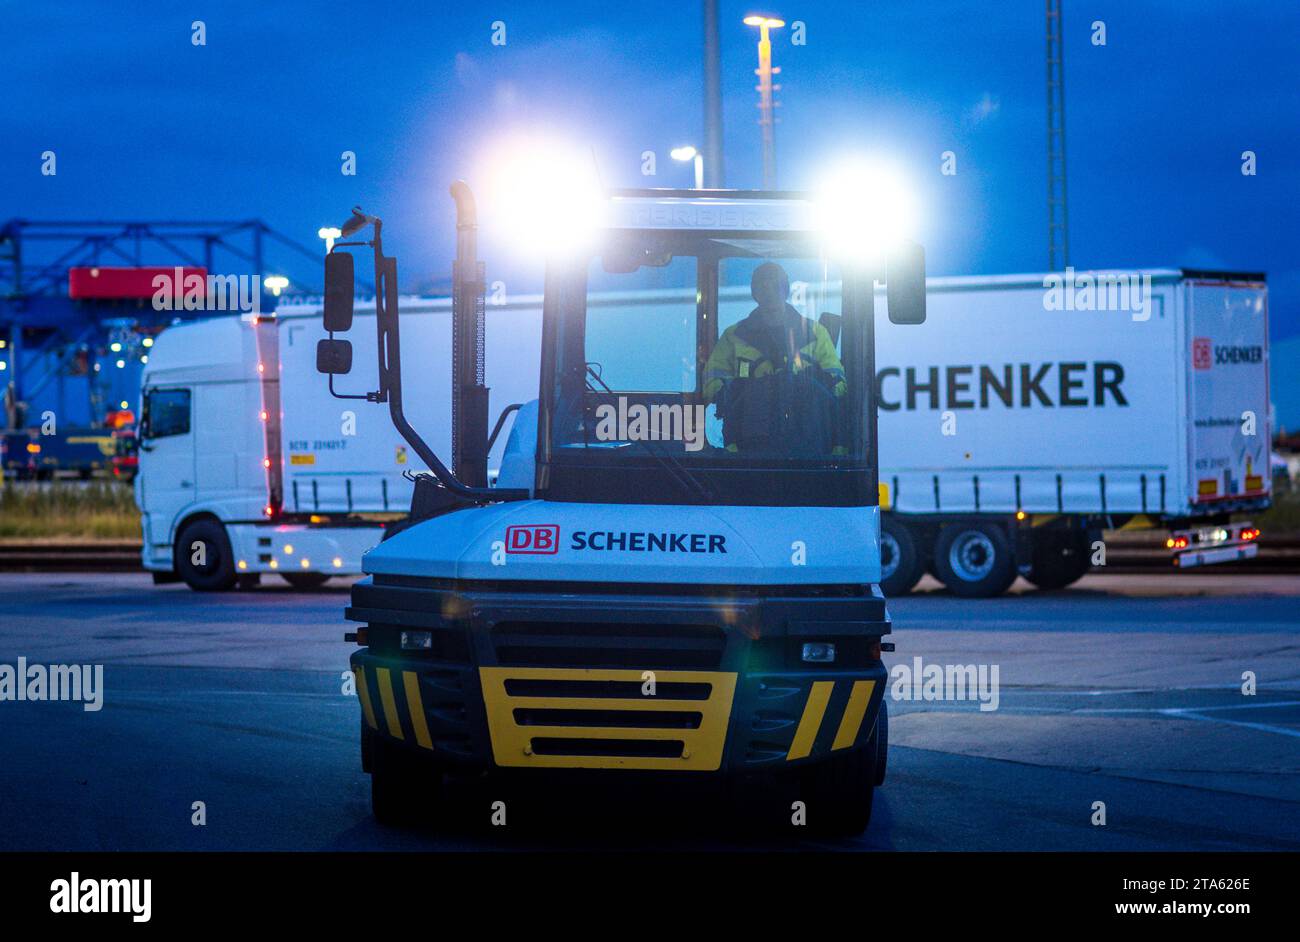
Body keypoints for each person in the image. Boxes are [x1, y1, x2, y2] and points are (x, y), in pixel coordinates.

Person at [703, 262, 847, 455]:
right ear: (755, 293)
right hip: (748, 441)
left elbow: (837, 382)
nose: (769, 292)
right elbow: (711, 383)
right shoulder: (734, 336)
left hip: (809, 441)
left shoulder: (815, 333)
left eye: (775, 286)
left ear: (785, 290)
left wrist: (806, 382)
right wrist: (742, 388)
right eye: (763, 286)